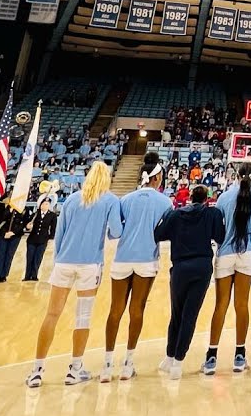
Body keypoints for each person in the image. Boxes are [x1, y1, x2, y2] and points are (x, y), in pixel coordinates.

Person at [26, 162, 120, 387]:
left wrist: (59, 259)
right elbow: (116, 231)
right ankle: (75, 370)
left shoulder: (71, 199)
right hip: (90, 264)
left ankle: (37, 370)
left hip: (64, 262)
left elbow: (59, 234)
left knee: (52, 315)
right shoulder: (110, 200)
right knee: (83, 316)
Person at [102, 152, 173, 382]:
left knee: (115, 311)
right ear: (157, 177)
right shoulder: (165, 202)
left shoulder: (125, 200)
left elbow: (116, 231)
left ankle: (106, 365)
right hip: (146, 259)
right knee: (137, 310)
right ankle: (127, 364)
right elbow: (165, 233)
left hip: (122, 258)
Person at [203, 162, 251, 376]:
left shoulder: (223, 198)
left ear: (237, 174)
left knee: (220, 305)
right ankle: (239, 354)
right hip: (247, 253)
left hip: (225, 252)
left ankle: (211, 355)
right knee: (242, 304)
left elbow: (217, 227)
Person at [153, 185, 225, 379]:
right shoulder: (213, 214)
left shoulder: (175, 215)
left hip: (180, 267)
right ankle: (178, 362)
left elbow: (159, 234)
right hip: (202, 267)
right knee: (189, 315)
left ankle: (169, 357)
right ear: (207, 199)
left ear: (190, 197)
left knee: (176, 314)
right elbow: (220, 237)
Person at [22, 195, 58, 282]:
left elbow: (53, 228)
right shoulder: (35, 214)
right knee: (30, 257)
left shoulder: (52, 215)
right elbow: (28, 224)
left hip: (43, 240)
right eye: (43, 204)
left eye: (47, 204)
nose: (45, 206)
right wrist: (27, 227)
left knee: (38, 258)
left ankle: (34, 275)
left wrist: (50, 238)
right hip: (32, 239)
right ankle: (27, 275)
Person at [0, 204, 30, 283]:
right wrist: (9, 211)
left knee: (9, 255)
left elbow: (24, 223)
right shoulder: (8, 207)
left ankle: (4, 275)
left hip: (16, 235)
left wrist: (13, 232)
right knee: (1, 254)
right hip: (4, 233)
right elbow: (2, 218)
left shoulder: (25, 208)